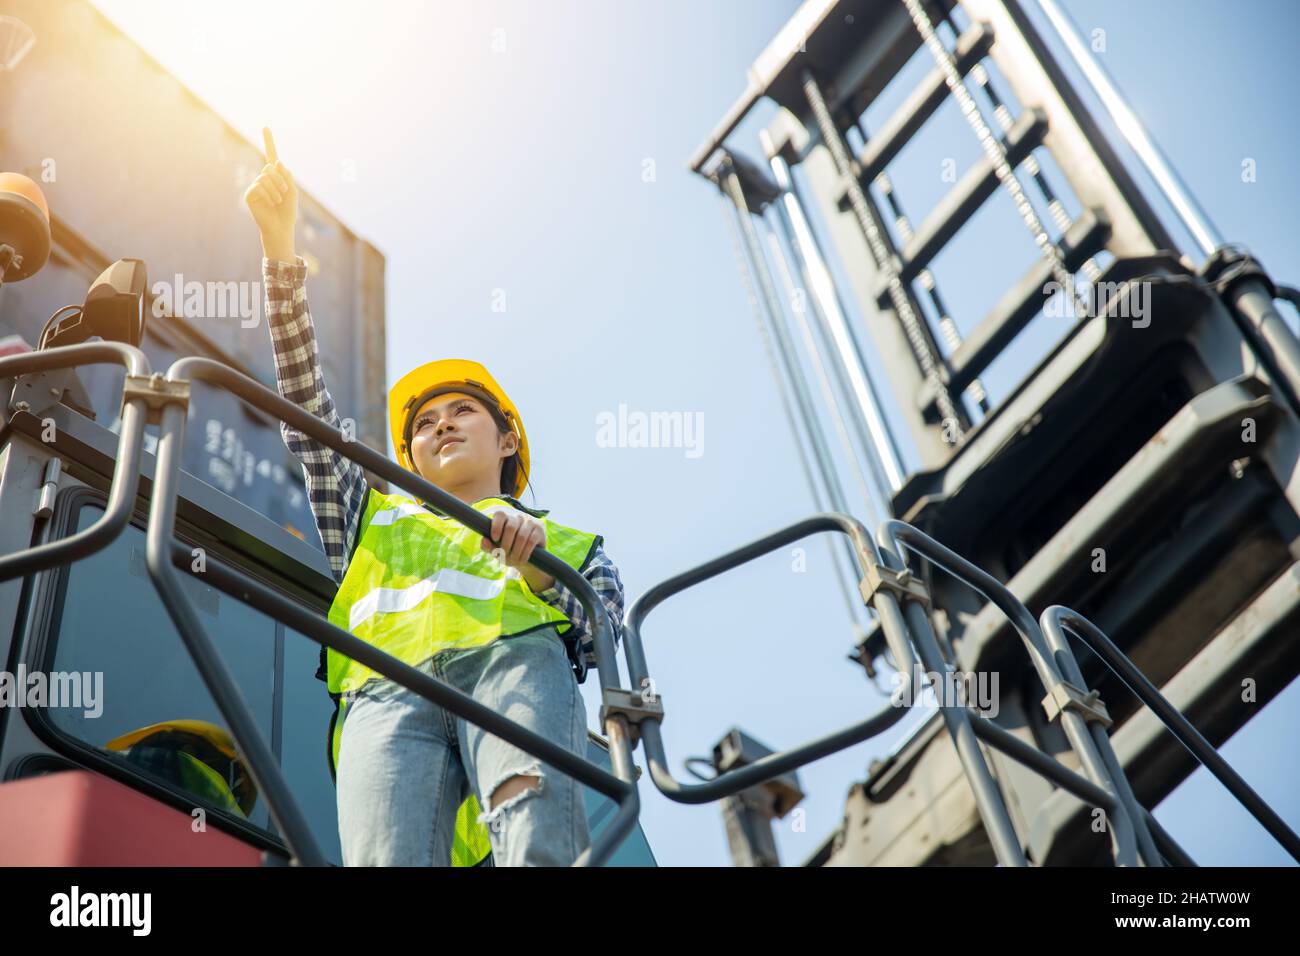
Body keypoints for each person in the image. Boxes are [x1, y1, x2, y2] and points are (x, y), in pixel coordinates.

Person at [244, 128, 626, 866]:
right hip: (386, 697)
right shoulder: (371, 517)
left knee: (540, 844)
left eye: (461, 413)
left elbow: (608, 638)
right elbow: (306, 409)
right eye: (423, 424)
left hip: (516, 671)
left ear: (507, 440)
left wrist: (536, 565)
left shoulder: (576, 547)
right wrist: (279, 251)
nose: (440, 425)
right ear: (409, 454)